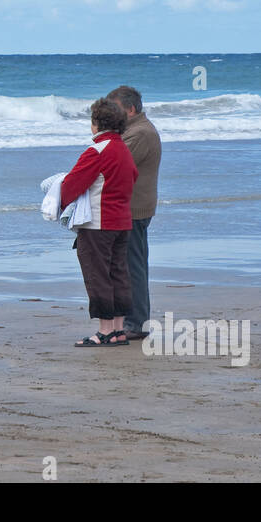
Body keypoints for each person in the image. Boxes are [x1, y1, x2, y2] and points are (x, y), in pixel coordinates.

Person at [59, 98, 137, 347]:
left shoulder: (97, 151)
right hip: (122, 221)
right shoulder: (123, 149)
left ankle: (104, 331)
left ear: (96, 124)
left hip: (98, 223)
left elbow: (72, 185)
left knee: (98, 275)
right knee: (119, 274)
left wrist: (59, 201)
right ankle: (118, 329)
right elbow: (133, 177)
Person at [107, 85, 161, 340]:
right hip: (133, 206)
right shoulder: (133, 130)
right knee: (130, 264)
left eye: (115, 110)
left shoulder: (140, 133)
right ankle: (134, 320)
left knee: (133, 266)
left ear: (130, 109)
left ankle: (136, 323)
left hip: (134, 209)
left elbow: (114, 164)